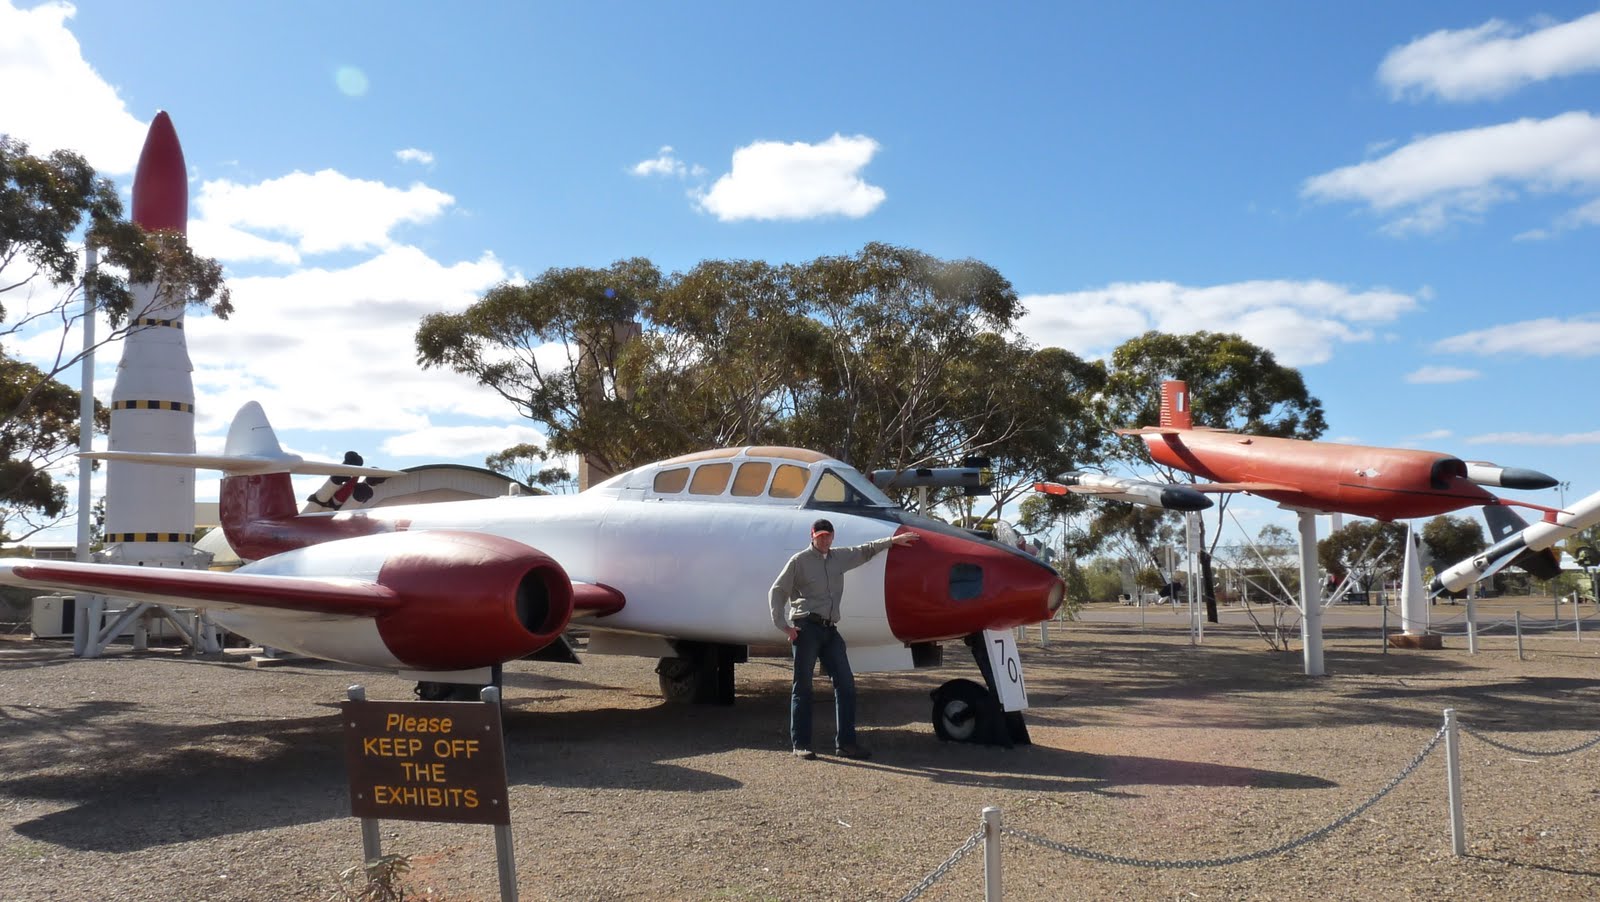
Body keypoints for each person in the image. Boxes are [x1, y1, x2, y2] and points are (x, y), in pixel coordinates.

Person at [769, 518, 919, 760]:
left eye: (827, 536)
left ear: (833, 536)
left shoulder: (839, 557)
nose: (824, 540)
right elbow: (777, 591)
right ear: (812, 536)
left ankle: (846, 744)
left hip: (830, 630)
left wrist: (893, 541)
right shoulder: (799, 561)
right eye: (820, 536)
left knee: (846, 684)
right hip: (806, 629)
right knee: (803, 687)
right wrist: (784, 627)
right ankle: (801, 744)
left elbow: (865, 550)